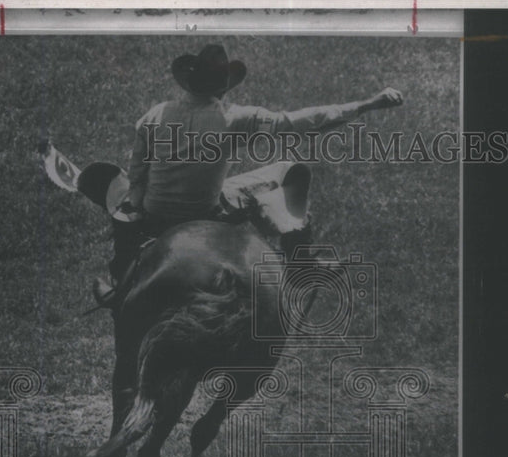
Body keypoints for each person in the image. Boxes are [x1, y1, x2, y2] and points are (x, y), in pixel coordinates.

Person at [93, 43, 403, 306]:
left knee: (123, 207)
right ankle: (299, 263)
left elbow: (137, 174)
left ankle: (120, 286)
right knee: (291, 170)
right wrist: (366, 104)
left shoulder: (155, 115)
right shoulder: (235, 118)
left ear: (186, 83)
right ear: (224, 87)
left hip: (154, 214)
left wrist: (140, 201)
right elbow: (303, 122)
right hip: (204, 213)